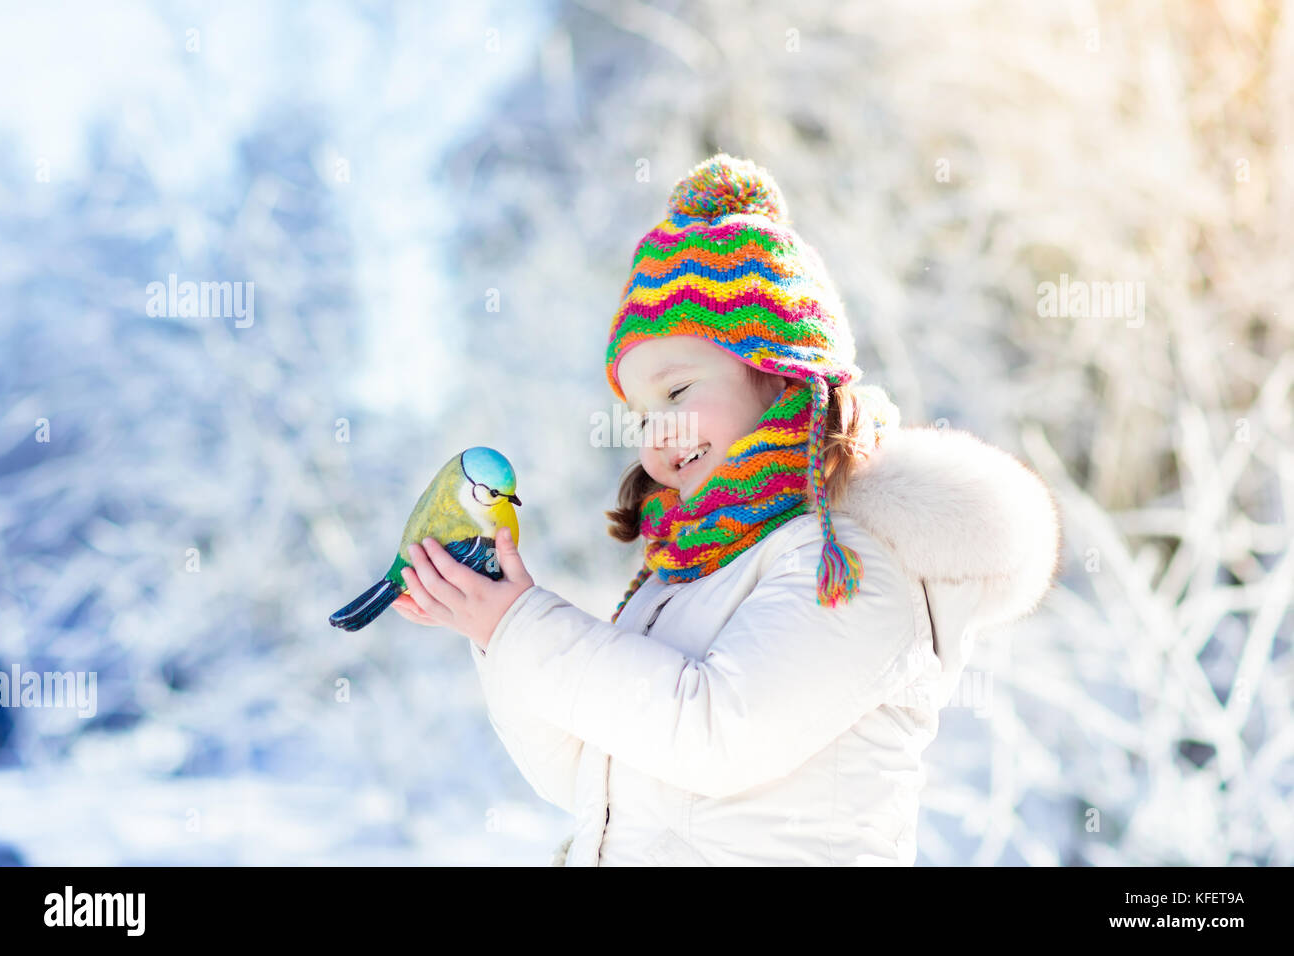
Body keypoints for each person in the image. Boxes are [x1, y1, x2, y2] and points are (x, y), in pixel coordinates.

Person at [391, 154, 1062, 866]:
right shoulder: (682, 579)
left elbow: (717, 735)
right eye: (641, 417)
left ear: (777, 374)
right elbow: (587, 774)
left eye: (676, 395)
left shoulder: (851, 560)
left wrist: (529, 628)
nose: (657, 439)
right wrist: (500, 635)